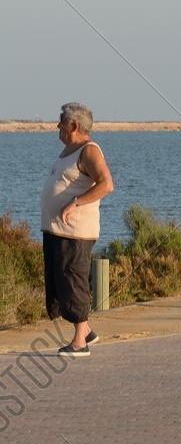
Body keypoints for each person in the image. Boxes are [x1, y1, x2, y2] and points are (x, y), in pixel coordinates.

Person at [42, 102, 113, 356]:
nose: (57, 126)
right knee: (60, 280)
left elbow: (106, 184)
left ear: (74, 125)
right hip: (56, 230)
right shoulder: (69, 151)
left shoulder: (89, 151)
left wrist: (75, 202)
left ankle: (80, 342)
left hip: (75, 231)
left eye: (61, 121)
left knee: (73, 280)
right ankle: (87, 331)